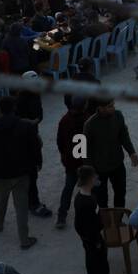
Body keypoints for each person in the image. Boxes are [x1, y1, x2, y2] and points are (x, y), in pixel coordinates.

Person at [0, 96, 40, 250]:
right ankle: (24, 239)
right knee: (21, 206)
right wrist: (37, 163)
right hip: (21, 171)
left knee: (0, 201)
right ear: (14, 108)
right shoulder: (25, 126)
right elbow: (34, 147)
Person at [73, 165, 123, 274]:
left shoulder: (80, 197)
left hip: (87, 240)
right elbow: (90, 225)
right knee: (102, 269)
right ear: (89, 179)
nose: (97, 178)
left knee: (90, 263)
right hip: (94, 240)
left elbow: (78, 224)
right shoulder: (87, 202)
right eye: (94, 176)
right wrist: (97, 241)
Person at [83, 98, 138, 209]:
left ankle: (118, 221)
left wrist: (132, 152)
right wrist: (90, 172)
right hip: (99, 169)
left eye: (113, 105)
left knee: (120, 194)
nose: (113, 108)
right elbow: (85, 151)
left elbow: (124, 136)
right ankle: (107, 223)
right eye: (110, 106)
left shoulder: (118, 116)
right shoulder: (90, 124)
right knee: (102, 199)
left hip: (117, 164)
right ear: (100, 108)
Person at [55, 96, 88, 230]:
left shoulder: (65, 120)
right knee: (88, 189)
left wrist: (65, 155)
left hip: (71, 161)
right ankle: (89, 214)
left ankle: (61, 216)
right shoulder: (87, 120)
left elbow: (60, 142)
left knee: (68, 188)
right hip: (85, 161)